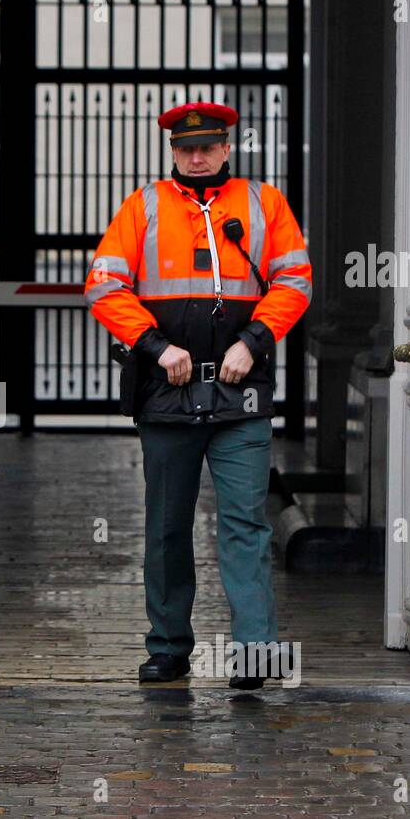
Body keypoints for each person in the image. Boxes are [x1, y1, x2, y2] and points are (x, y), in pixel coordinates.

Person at [84, 101, 312, 689]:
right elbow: (104, 284)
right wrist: (156, 346)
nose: (197, 155)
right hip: (167, 388)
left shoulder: (264, 204)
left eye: (208, 145)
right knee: (166, 526)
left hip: (241, 391)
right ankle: (167, 647)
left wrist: (254, 342)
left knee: (245, 523)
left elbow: (295, 280)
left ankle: (256, 653)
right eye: (186, 148)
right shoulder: (145, 205)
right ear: (173, 152)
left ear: (228, 147)